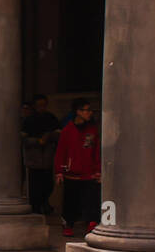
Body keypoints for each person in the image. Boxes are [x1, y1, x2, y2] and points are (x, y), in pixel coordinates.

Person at [54, 98, 101, 237]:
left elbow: (96, 151)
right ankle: (68, 224)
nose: (90, 113)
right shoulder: (67, 130)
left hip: (89, 173)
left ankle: (91, 224)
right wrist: (59, 171)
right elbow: (61, 151)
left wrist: (98, 170)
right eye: (87, 110)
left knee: (91, 199)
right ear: (78, 112)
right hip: (71, 173)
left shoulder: (92, 130)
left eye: (90, 110)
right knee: (71, 201)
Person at [22, 95, 61, 216]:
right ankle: (36, 206)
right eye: (39, 105)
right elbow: (23, 139)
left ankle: (45, 203)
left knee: (48, 184)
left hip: (48, 157)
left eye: (44, 105)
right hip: (34, 158)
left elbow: (59, 134)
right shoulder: (29, 120)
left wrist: (49, 136)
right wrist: (38, 141)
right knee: (34, 185)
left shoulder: (51, 118)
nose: (42, 108)